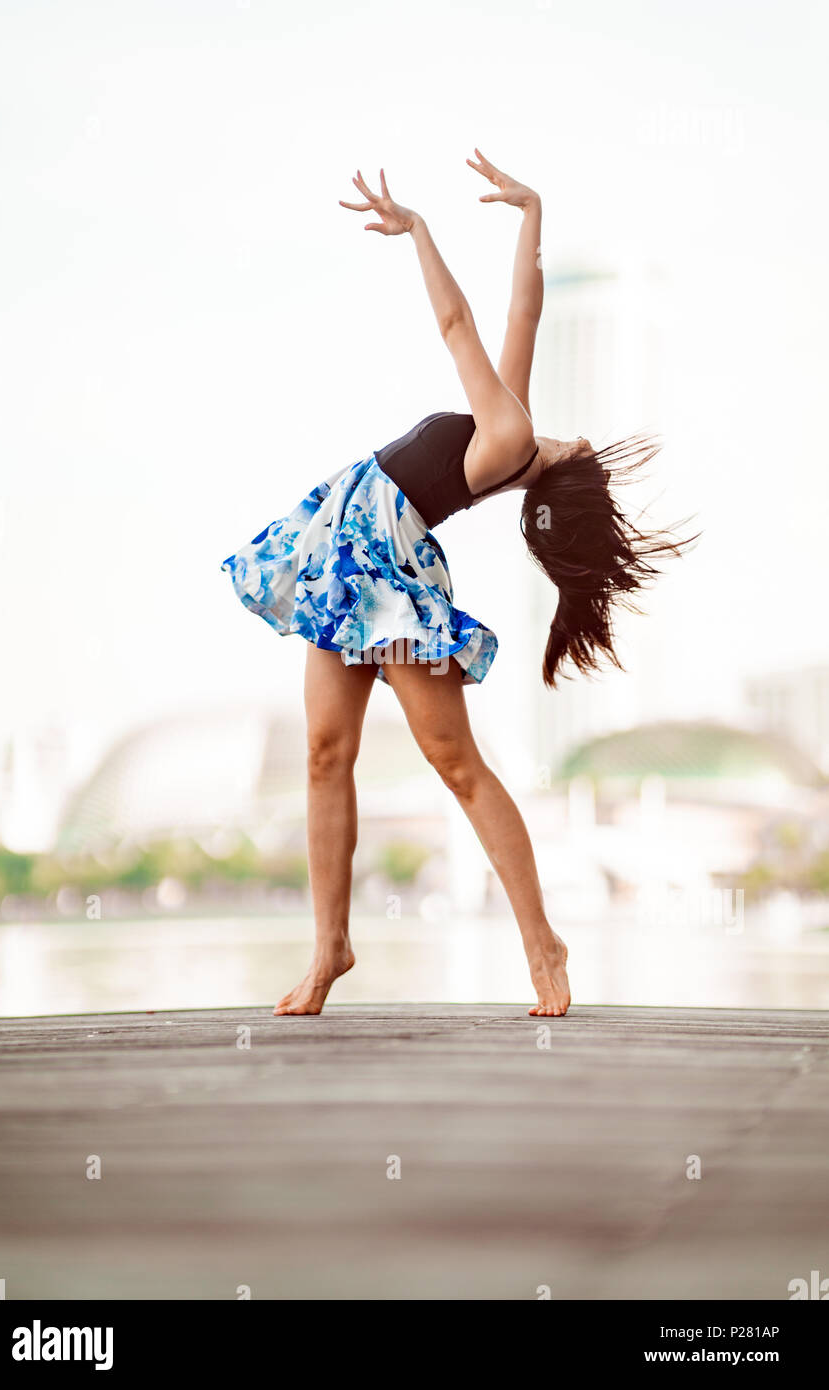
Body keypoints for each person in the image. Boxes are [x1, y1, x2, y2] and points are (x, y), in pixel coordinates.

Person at [222, 149, 691, 1018]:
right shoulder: (509, 426)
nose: (593, 444)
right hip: (344, 553)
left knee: (455, 763)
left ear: (571, 468)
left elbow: (457, 326)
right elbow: (524, 310)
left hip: (383, 567)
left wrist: (421, 233)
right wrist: (532, 213)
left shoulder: (511, 436)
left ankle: (542, 944)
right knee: (326, 755)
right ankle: (329, 950)